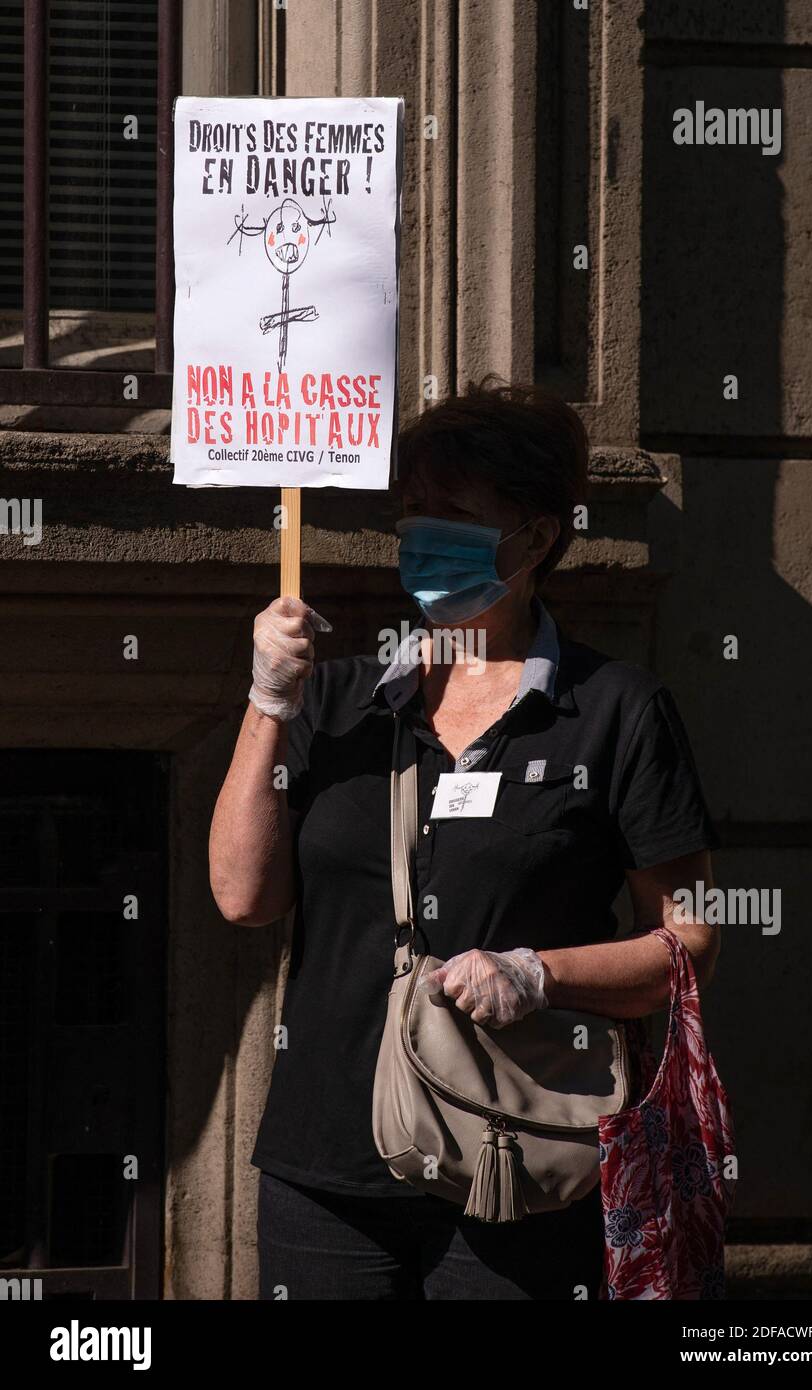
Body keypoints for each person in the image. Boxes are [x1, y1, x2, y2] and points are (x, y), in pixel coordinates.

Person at [209, 376, 721, 1301]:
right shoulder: (342, 699)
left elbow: (689, 944)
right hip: (327, 1166)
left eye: (454, 514)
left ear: (536, 538)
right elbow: (243, 897)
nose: (422, 538)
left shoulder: (615, 711)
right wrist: (268, 701)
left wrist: (539, 972)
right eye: (412, 514)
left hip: (522, 1158)